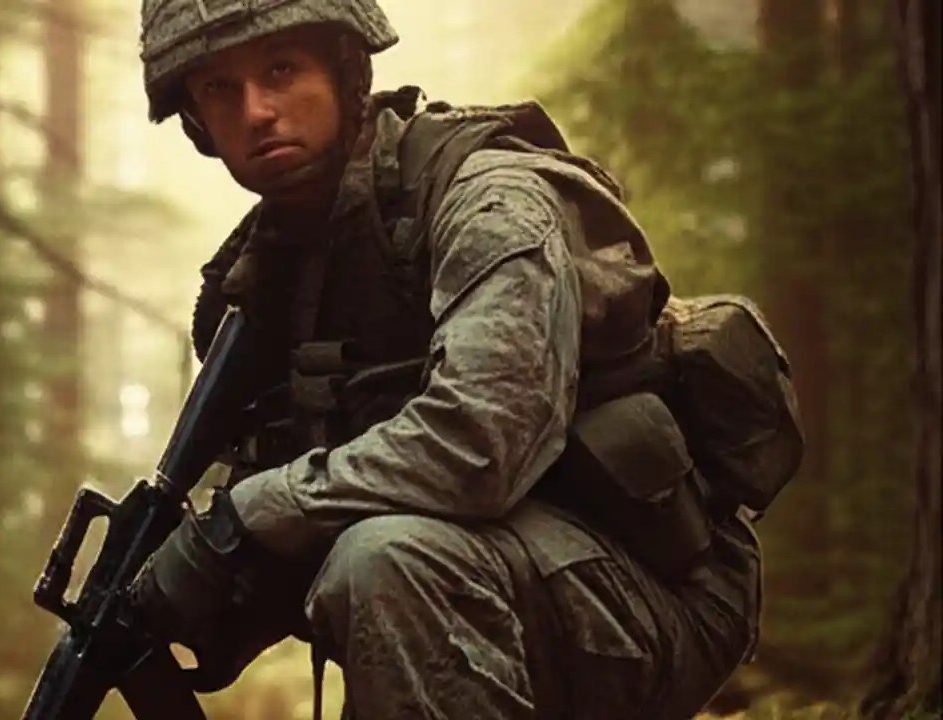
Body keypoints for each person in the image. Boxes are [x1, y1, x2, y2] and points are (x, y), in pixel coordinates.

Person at [126, 1, 764, 718]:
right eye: (219, 89)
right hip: (492, 580)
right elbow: (302, 498)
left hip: (656, 584)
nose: (257, 110)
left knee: (387, 561)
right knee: (378, 559)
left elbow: (480, 447)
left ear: (345, 71)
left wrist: (251, 514)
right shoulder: (261, 282)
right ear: (195, 121)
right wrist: (199, 592)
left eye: (281, 69)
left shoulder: (488, 199)